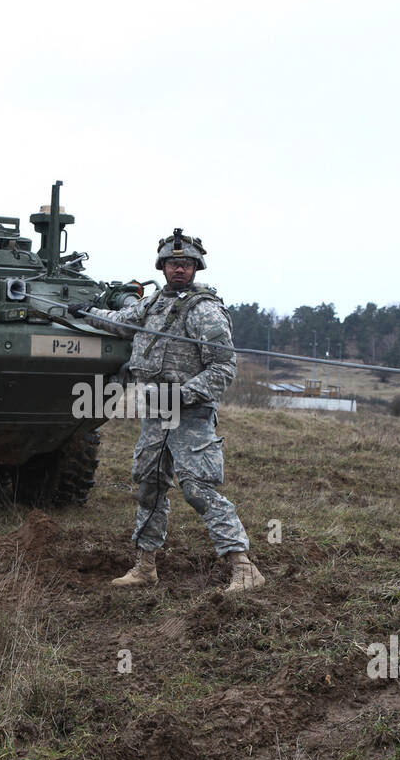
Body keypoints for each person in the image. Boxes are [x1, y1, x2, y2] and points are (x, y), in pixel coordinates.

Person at [74, 229, 266, 593]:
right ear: (162, 267)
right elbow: (121, 320)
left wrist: (181, 394)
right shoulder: (155, 304)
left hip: (189, 413)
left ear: (197, 267)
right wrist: (84, 312)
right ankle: (145, 565)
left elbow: (223, 369)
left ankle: (243, 567)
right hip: (155, 411)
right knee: (148, 486)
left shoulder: (205, 310)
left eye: (187, 264)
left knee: (198, 488)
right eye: (173, 263)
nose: (180, 269)